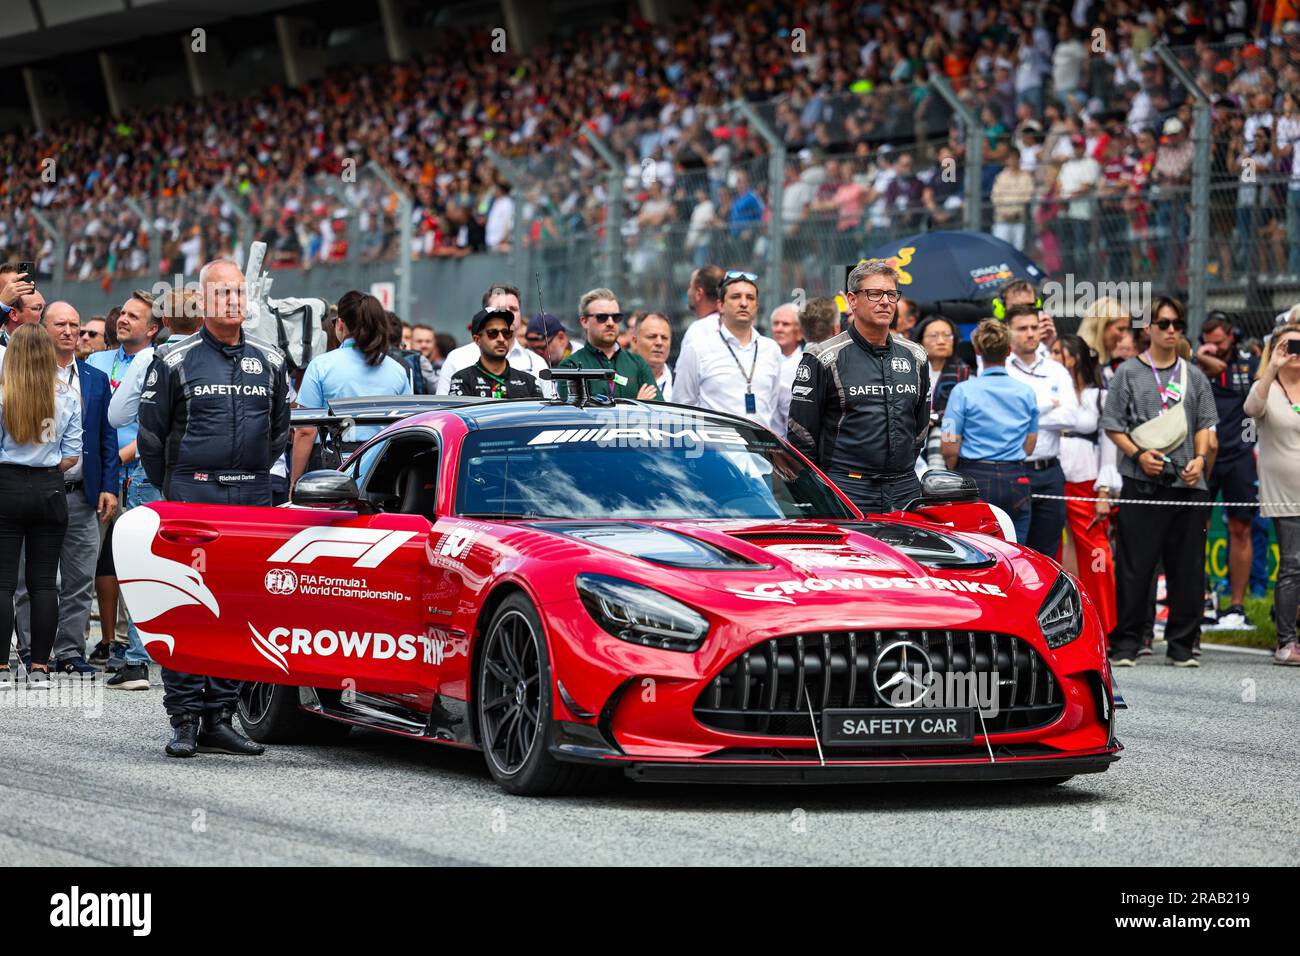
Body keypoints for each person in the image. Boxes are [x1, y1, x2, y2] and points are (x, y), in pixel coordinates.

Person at [138, 258, 291, 757]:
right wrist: (178, 488)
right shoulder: (174, 359)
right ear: (202, 301)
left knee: (233, 611)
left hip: (249, 501)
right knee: (187, 608)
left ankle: (220, 718)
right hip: (190, 500)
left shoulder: (270, 359)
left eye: (239, 293)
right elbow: (150, 440)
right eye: (222, 293)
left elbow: (278, 435)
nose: (233, 301)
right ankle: (183, 718)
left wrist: (246, 481)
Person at [1102, 296, 1218, 668]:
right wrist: (1138, 455)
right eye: (1163, 324)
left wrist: (1199, 459)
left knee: (1187, 565)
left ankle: (1183, 644)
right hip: (1142, 480)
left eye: (1177, 325)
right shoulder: (1127, 373)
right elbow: (1113, 425)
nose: (1171, 331)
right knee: (1136, 564)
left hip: (1187, 484)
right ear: (1148, 328)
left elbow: (1204, 424)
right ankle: (1127, 643)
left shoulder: (1194, 374)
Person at [11, 304, 118, 680]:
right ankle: (30, 650)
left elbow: (106, 437)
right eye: (61, 324)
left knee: (79, 579)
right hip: (37, 490)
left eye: (76, 324)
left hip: (80, 493)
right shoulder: (20, 377)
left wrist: (108, 485)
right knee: (32, 580)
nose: (70, 331)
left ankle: (70, 651)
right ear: (44, 327)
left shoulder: (94, 378)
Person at [788, 261, 931, 512]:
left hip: (905, 489)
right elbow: (801, 436)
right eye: (875, 294)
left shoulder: (916, 356)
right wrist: (818, 492)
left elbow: (919, 428)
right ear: (852, 300)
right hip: (847, 488)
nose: (885, 301)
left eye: (891, 294)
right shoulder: (822, 357)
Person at [0, 325, 81, 690]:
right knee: (44, 584)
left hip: (8, 485)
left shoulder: (3, 395)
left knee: (2, 584)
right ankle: (40, 669)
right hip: (50, 487)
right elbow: (71, 456)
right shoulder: (66, 395)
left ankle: (1, 668)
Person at [87, 290, 163, 674]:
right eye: (124, 314)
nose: (124, 320)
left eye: (135, 317)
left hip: (136, 474)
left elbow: (154, 425)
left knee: (135, 561)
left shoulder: (158, 363)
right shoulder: (98, 360)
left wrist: (122, 455)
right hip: (99, 472)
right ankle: (105, 641)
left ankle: (140, 647)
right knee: (96, 559)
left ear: (152, 328)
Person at [291, 290, 412, 485]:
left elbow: (305, 431)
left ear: (340, 323)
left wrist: (295, 482)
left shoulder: (321, 365)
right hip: (381, 466)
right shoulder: (397, 370)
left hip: (330, 464)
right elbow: (406, 426)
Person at [940, 319, 1039, 542]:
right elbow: (1030, 446)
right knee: (1017, 550)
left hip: (974, 475)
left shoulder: (962, 391)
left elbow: (948, 445)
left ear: (977, 350)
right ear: (1009, 350)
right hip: (1016, 477)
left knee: (974, 547)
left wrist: (955, 466)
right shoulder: (1026, 392)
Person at [1194, 314, 1259, 630]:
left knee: (1240, 529)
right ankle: (1201, 599)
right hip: (1204, 454)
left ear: (1232, 336)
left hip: (1241, 455)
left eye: (1220, 342)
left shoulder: (1250, 362)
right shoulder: (1192, 365)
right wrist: (1200, 356)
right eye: (1209, 341)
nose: (1215, 348)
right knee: (1197, 529)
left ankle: (1236, 607)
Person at [1052, 333, 1121, 635]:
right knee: (1051, 552)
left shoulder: (1099, 396)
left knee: (1097, 555)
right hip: (1051, 478)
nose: (1052, 357)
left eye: (1058, 352)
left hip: (1086, 481)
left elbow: (1109, 445)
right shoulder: (1048, 388)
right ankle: (1058, 626)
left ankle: (1104, 628)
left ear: (1075, 357)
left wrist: (1104, 489)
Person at [1242, 323, 1300, 665]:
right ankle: (1286, 641)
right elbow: (1251, 409)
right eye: (1286, 345)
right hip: (1285, 492)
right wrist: (1273, 367)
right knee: (1293, 564)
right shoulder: (1267, 387)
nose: (1293, 351)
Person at [1004, 303, 1078, 556]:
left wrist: (1028, 415)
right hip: (1014, 470)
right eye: (1022, 328)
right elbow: (1004, 419)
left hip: (1050, 474)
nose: (1031, 333)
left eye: (1035, 327)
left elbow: (1071, 417)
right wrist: (1047, 406)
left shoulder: (1056, 370)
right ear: (1008, 332)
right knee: (1014, 550)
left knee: (1046, 552)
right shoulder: (1001, 369)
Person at [674, 272, 782, 429]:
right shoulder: (697, 349)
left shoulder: (771, 349)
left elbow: (771, 405)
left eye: (750, 298)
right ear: (720, 305)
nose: (744, 303)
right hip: (714, 451)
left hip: (760, 451)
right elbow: (681, 408)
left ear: (756, 307)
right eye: (736, 297)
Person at [436, 284, 548, 393]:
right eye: (500, 308)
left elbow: (546, 409)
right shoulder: (457, 359)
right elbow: (444, 408)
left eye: (513, 309)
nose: (507, 312)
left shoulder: (537, 363)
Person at [556, 288, 660, 401]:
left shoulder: (638, 363)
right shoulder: (570, 365)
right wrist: (637, 405)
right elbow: (579, 416)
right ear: (584, 321)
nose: (610, 323)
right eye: (602, 317)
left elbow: (658, 409)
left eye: (616, 317)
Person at [916, 315, 971, 471]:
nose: (941, 340)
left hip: (949, 431)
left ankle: (938, 477)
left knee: (944, 432)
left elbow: (961, 411)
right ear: (920, 340)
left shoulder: (964, 372)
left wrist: (933, 418)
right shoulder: (911, 370)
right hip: (916, 431)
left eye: (947, 335)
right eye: (934, 335)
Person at [449, 309, 544, 399]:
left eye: (506, 333)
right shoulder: (462, 380)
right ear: (477, 340)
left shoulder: (528, 381)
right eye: (493, 333)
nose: (501, 339)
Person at [769, 302, 804, 435]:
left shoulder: (804, 365)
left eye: (785, 324)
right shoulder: (761, 360)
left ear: (799, 332)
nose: (779, 329)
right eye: (776, 323)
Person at [678, 265, 725, 351]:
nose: (688, 292)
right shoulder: (735, 326)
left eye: (690, 287)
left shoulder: (696, 332)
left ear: (699, 293)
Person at [631, 312, 673, 401]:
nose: (659, 343)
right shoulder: (620, 380)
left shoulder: (680, 382)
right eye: (652, 337)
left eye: (664, 338)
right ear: (635, 341)